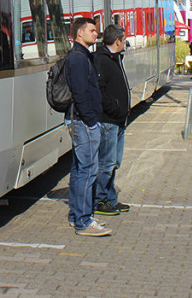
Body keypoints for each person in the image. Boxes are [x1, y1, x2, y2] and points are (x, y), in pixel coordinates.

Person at [64, 17, 111, 237]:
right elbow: (80, 93)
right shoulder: (78, 59)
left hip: (82, 120)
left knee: (79, 168)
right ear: (79, 33)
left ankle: (77, 215)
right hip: (83, 121)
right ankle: (83, 221)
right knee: (88, 169)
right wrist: (91, 121)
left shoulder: (83, 56)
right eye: (92, 30)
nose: (96, 34)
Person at [93, 23, 130, 216]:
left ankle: (110, 198)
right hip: (109, 121)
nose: (125, 43)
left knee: (114, 162)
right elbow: (100, 91)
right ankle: (100, 200)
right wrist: (115, 109)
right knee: (106, 163)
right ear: (118, 41)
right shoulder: (101, 60)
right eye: (124, 40)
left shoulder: (115, 58)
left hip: (118, 120)